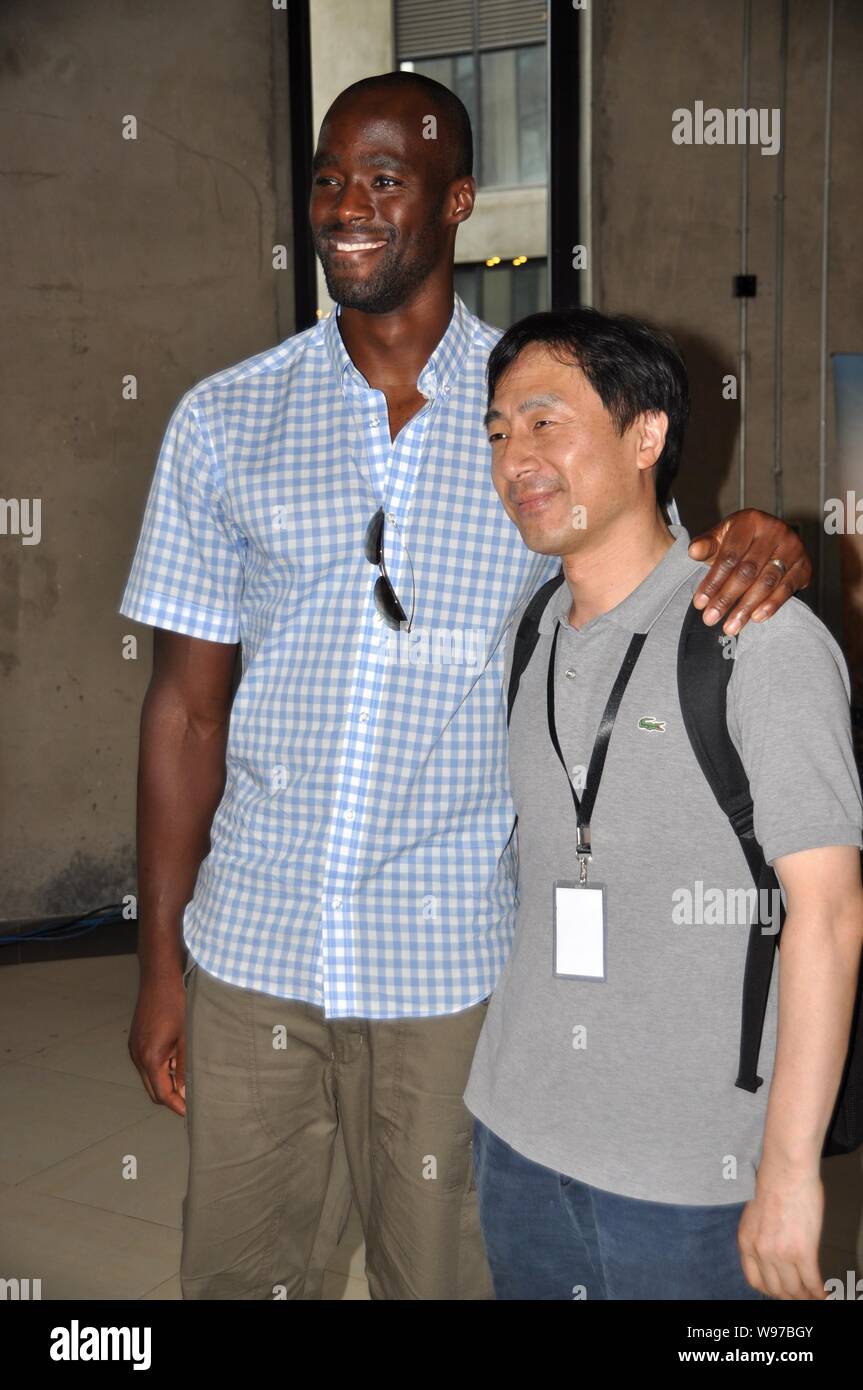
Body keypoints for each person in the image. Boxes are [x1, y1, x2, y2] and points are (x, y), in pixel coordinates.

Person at [119, 72, 811, 1300]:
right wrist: (160, 960)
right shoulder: (222, 422)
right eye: (329, 179)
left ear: (456, 202)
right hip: (252, 953)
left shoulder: (537, 420)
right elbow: (182, 709)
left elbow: (656, 569)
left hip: (455, 974)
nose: (348, 205)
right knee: (233, 1279)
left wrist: (765, 535)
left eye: (384, 178)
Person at [464, 305, 863, 1301]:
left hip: (692, 1174)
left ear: (644, 435)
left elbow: (828, 912)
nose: (516, 456)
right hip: (518, 1135)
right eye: (498, 429)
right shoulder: (528, 627)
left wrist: (784, 1171)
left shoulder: (755, 640)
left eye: (546, 421)